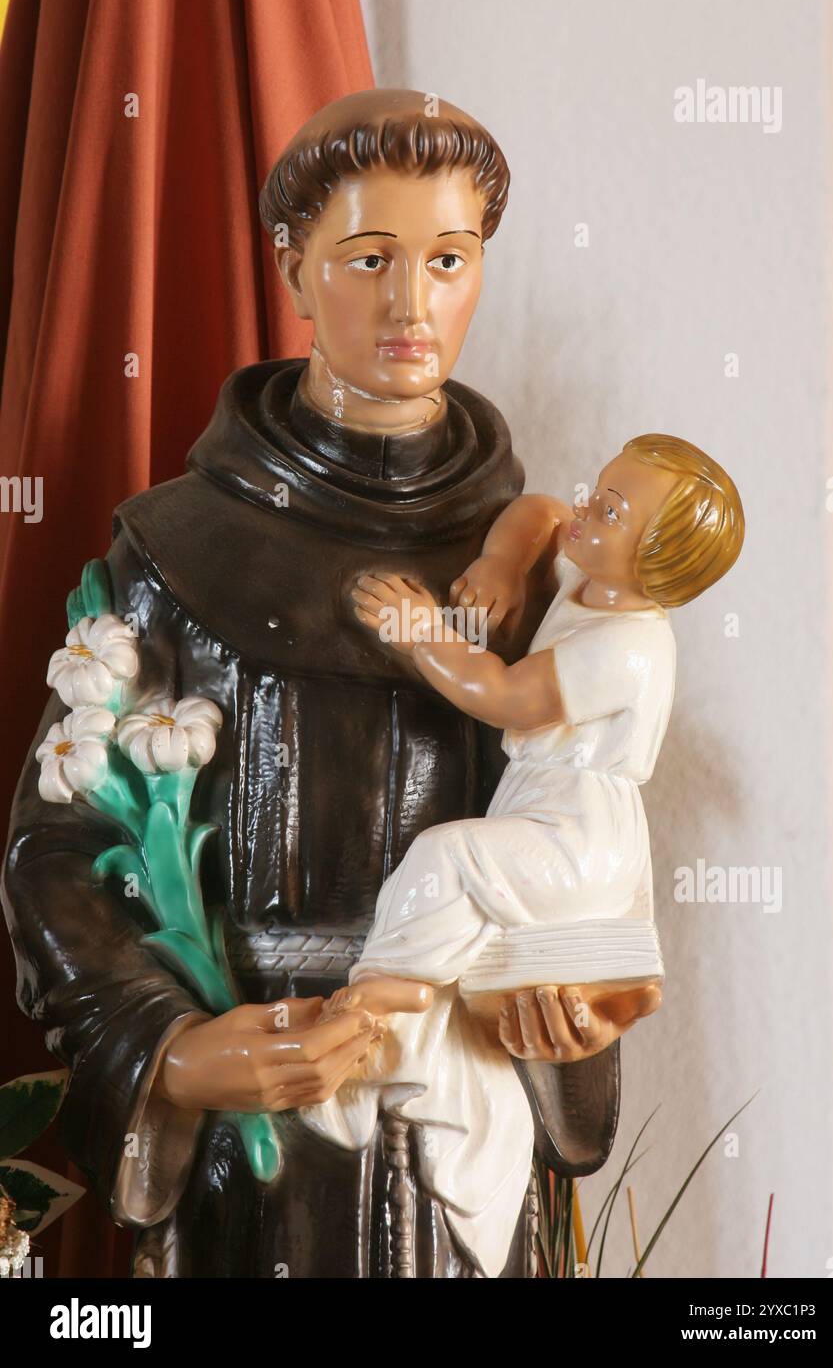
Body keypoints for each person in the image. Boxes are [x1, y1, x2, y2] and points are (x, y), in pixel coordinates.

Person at [1, 90, 643, 1278]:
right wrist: (177, 1054)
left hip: (471, 1129)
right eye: (368, 258)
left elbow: (594, 817)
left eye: (447, 258)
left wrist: (569, 998)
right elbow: (57, 849)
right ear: (295, 270)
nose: (411, 304)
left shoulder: (549, 571)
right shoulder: (175, 550)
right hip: (257, 1146)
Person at [300, 434, 745, 1277]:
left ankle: (382, 1004)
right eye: (601, 488)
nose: (586, 508)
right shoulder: (596, 580)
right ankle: (406, 1019)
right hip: (550, 810)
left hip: (577, 835)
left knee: (446, 862)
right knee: (456, 879)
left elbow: (498, 693)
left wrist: (418, 629)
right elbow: (542, 512)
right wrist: (506, 560)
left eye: (611, 510)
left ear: (655, 560)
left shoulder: (631, 647)